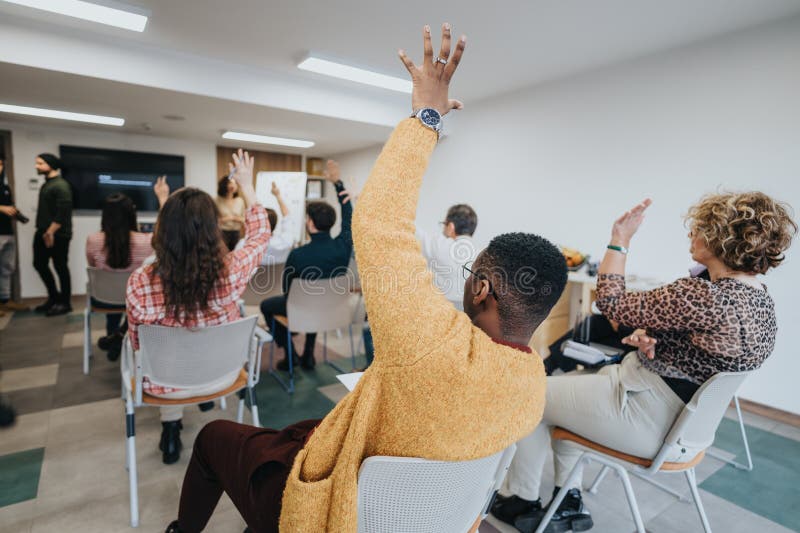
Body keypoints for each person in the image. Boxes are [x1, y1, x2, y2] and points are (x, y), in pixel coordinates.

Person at [166, 24, 568, 533]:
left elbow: (377, 220)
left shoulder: (429, 342)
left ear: (482, 289)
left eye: (473, 274)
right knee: (296, 431)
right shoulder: (533, 387)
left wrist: (427, 118)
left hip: (332, 515)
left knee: (214, 440)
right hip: (426, 518)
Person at [494, 192, 796, 533]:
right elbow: (708, 354)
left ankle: (518, 498)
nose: (690, 235)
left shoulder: (704, 295)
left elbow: (610, 302)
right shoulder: (761, 302)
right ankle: (567, 504)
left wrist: (619, 240)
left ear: (719, 238)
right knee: (561, 395)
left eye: (698, 228)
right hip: (685, 429)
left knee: (531, 394)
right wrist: (659, 341)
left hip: (648, 417)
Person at [126, 150, 271, 465]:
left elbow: (140, 344)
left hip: (165, 384)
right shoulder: (231, 271)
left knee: (166, 355)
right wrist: (247, 186)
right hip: (224, 375)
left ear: (162, 229)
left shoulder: (140, 281)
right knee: (185, 351)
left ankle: (170, 430)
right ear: (214, 227)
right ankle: (196, 408)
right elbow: (260, 237)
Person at [259, 160, 352, 371]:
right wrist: (338, 184)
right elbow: (349, 218)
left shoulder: (298, 255)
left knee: (268, 305)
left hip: (303, 310)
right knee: (315, 298)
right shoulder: (343, 247)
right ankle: (309, 352)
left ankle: (290, 354)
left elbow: (287, 291)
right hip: (331, 308)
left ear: (310, 223)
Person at [85, 181, 167, 360]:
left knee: (115, 298)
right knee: (133, 295)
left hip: (104, 300)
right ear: (132, 214)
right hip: (138, 302)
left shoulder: (93, 240)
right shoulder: (146, 241)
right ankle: (121, 337)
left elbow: (92, 265)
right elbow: (166, 233)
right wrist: (163, 199)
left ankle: (115, 335)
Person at [33, 153, 73, 316]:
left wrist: (50, 232)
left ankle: (65, 302)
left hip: (58, 234)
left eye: (40, 163)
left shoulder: (61, 185)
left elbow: (63, 211)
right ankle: (54, 297)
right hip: (43, 232)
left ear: (50, 164)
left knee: (60, 267)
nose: (37, 166)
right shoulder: (47, 185)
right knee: (39, 264)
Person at [417, 203, 478, 306]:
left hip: (440, 311)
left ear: (450, 226)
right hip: (470, 315)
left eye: (444, 224)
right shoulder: (481, 255)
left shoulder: (440, 246)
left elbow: (412, 230)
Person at [0, 157, 28, 314]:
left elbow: (8, 207)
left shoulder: (5, 187)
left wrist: (15, 213)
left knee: (6, 267)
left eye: (0, 164)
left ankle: (5, 300)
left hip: (8, 232)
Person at [261, 181, 296, 265]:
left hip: (255, 278)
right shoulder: (286, 241)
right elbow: (287, 217)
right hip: (279, 278)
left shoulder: (245, 245)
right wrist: (277, 195)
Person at [216, 175, 247, 251]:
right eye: (230, 183)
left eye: (235, 183)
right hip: (222, 233)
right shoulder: (216, 200)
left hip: (236, 233)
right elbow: (213, 220)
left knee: (235, 254)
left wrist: (234, 218)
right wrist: (225, 219)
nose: (233, 185)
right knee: (223, 255)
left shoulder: (240, 201)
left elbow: (244, 219)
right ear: (224, 185)